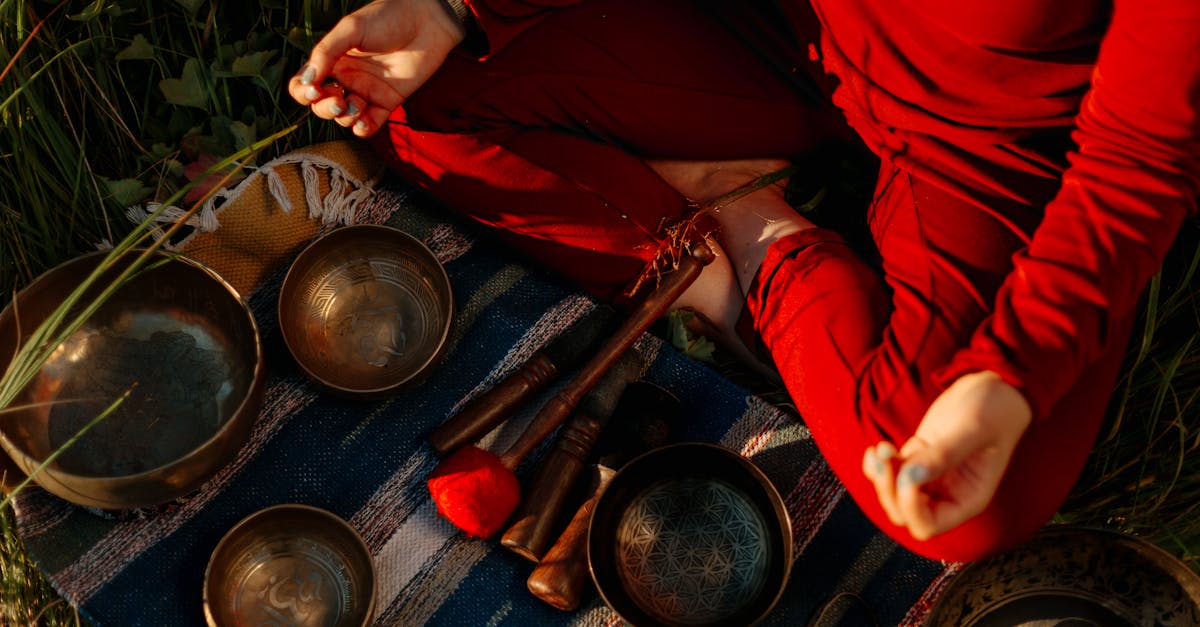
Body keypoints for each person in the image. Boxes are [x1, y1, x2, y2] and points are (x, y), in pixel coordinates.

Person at [287, 0, 1199, 562]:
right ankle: (725, 215)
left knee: (961, 504)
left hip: (990, 147)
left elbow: (1137, 164)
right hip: (771, 25)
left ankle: (749, 230)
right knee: (420, 105)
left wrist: (1007, 380)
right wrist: (457, 7)